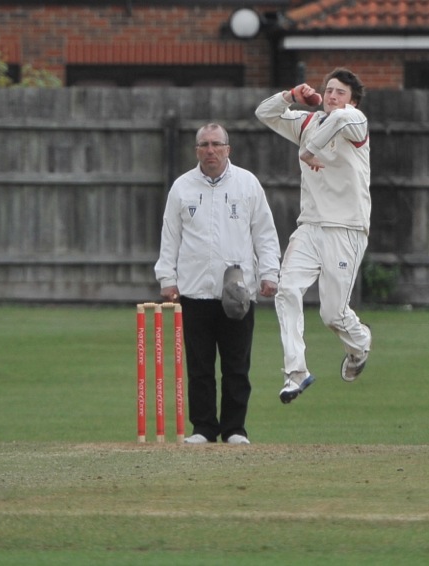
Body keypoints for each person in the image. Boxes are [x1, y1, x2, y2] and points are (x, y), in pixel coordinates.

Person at [155, 124, 281, 444]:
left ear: (228, 149)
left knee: (236, 365)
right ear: (196, 150)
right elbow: (170, 237)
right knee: (199, 367)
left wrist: (270, 273)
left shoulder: (247, 184)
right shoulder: (182, 187)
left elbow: (264, 232)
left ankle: (235, 429)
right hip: (195, 290)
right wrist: (167, 279)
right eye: (204, 145)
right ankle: (204, 428)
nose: (210, 150)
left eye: (216, 144)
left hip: (237, 292)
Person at [255, 68, 373, 403]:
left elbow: (339, 120)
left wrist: (308, 152)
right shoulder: (310, 123)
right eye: (329, 91)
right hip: (311, 224)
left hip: (346, 227)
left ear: (353, 100)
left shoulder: (356, 122)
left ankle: (360, 343)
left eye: (340, 92)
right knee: (286, 290)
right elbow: (264, 113)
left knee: (332, 315)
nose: (333, 96)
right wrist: (292, 96)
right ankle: (296, 372)